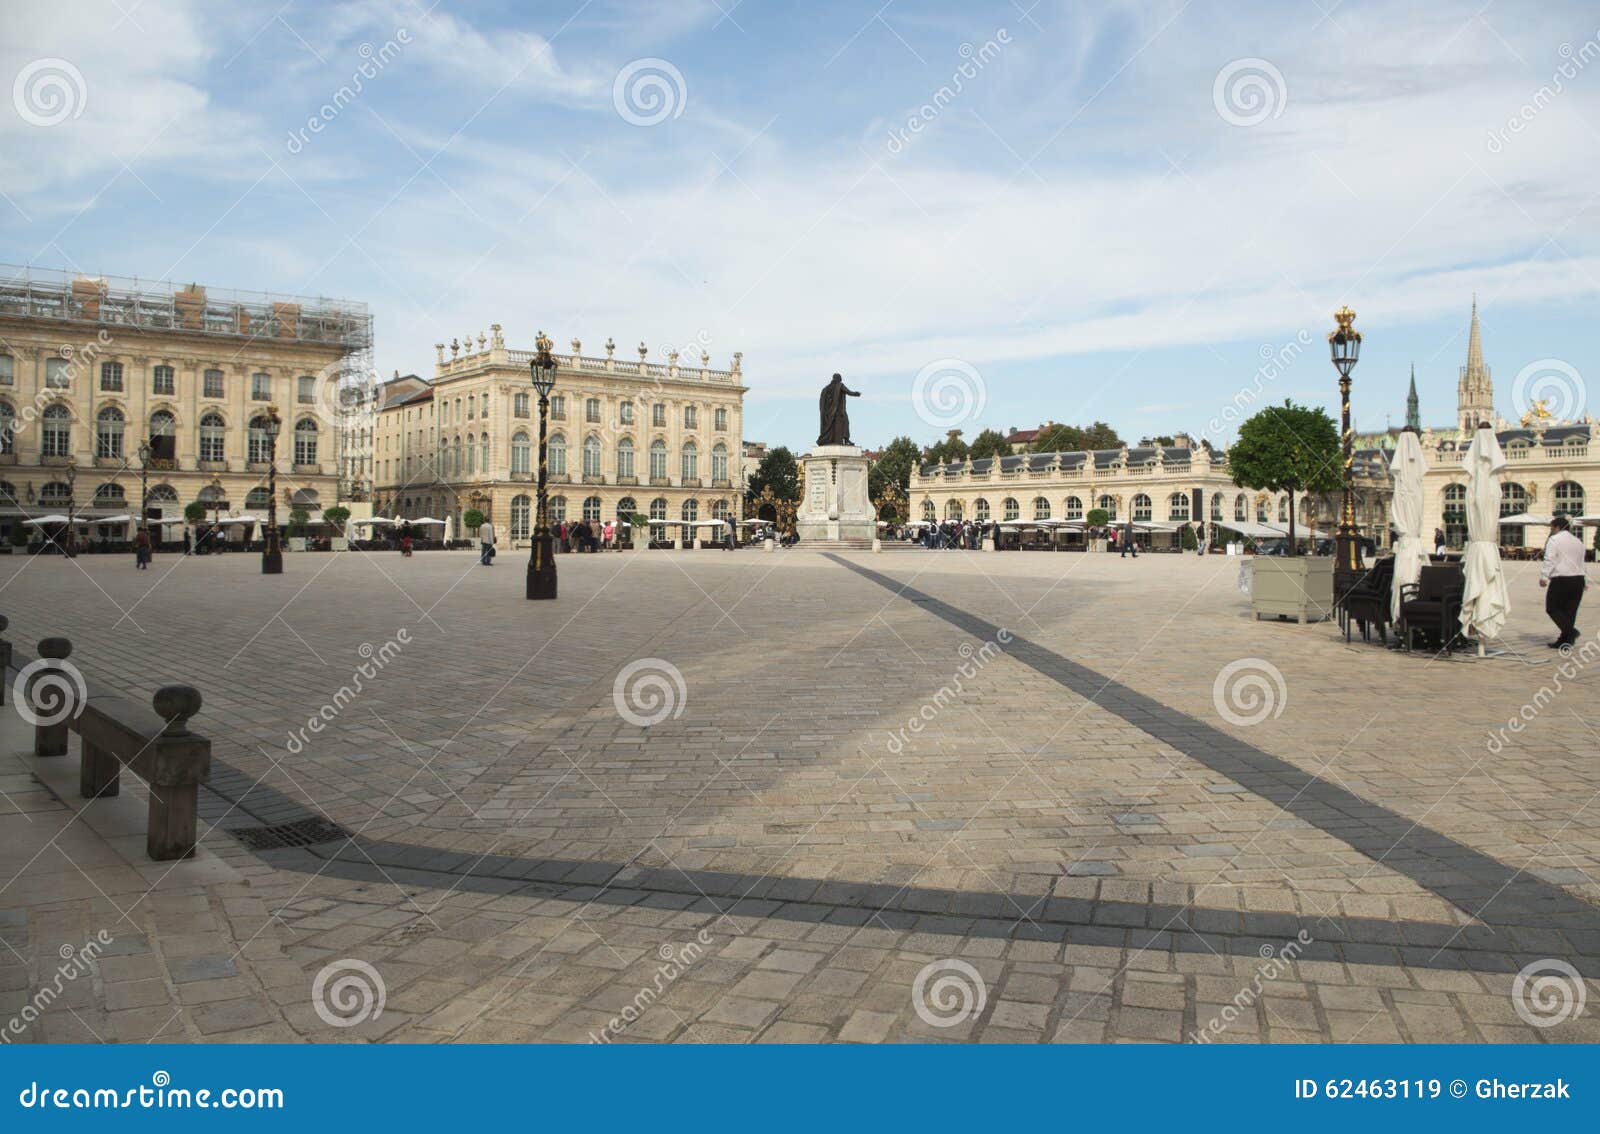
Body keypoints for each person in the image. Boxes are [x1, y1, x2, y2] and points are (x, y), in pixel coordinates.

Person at [1539, 515, 1587, 649]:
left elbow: (1549, 559)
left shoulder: (1554, 540)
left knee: (1552, 608)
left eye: (1552, 528)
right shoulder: (1578, 541)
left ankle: (1571, 632)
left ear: (1557, 527)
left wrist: (1544, 577)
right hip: (1578, 579)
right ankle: (1565, 642)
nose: (1551, 531)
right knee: (1570, 611)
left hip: (1561, 579)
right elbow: (1582, 562)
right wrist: (1585, 579)